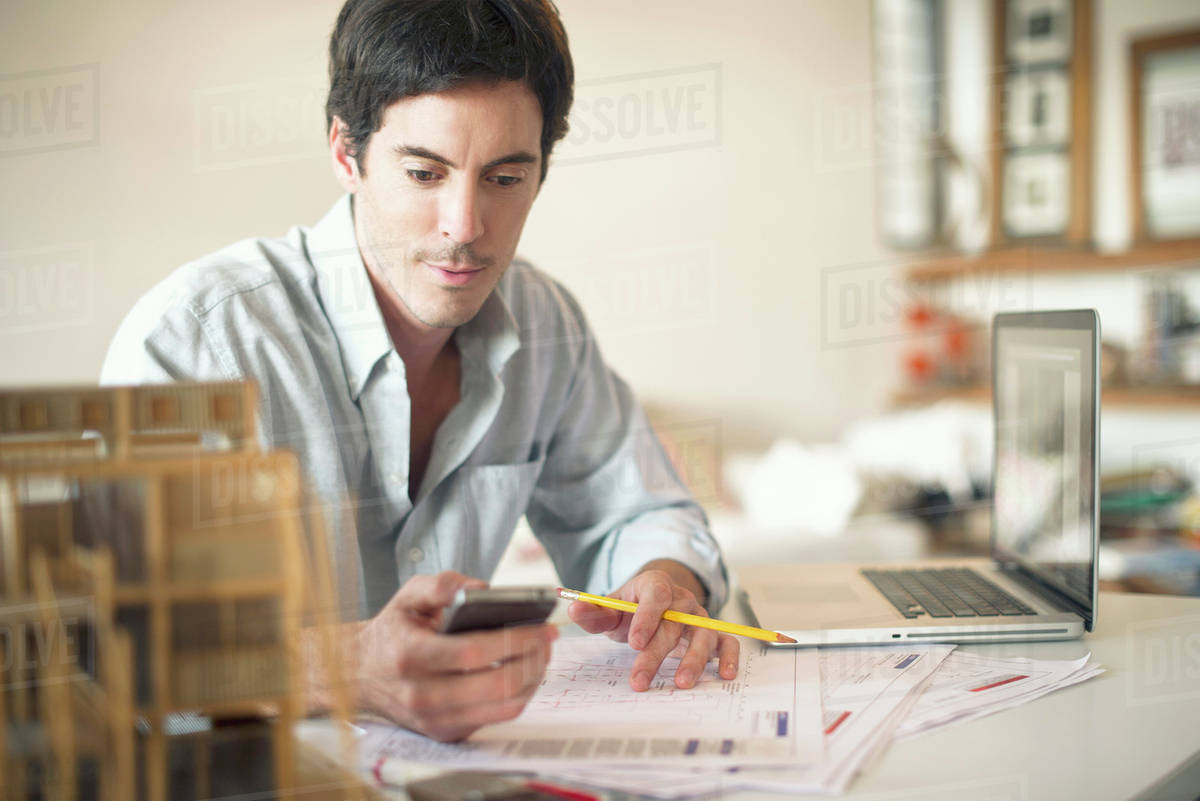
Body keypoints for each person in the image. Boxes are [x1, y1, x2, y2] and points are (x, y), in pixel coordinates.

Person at [101, 0, 738, 742]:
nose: (464, 227)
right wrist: (346, 666)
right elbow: (122, 654)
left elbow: (636, 513)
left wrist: (668, 578)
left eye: (504, 178)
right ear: (346, 152)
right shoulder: (197, 340)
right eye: (424, 172)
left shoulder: (542, 322)